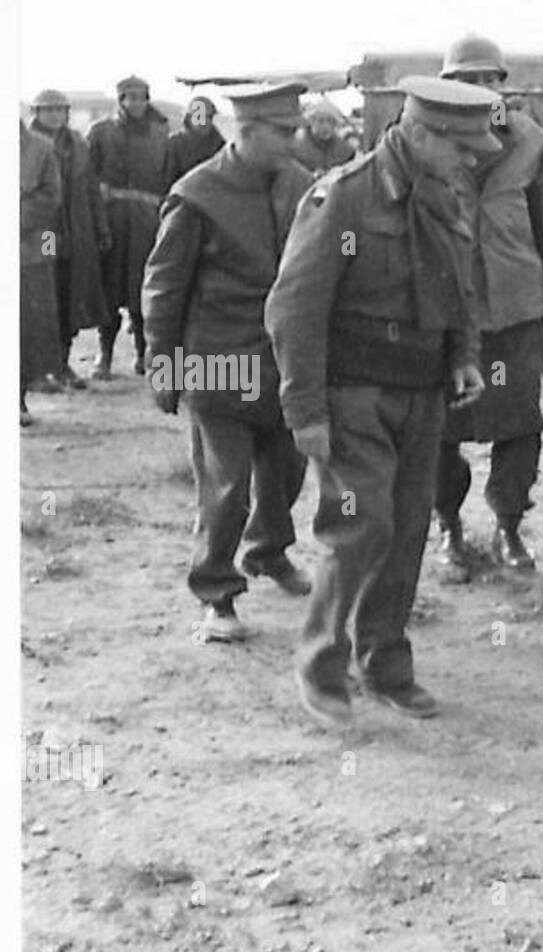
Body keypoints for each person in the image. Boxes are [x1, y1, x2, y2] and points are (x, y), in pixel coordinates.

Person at [266, 76, 495, 726]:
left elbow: (460, 283)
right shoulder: (343, 197)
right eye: (461, 145)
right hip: (352, 392)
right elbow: (293, 308)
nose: (471, 157)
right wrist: (305, 410)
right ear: (419, 133)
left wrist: (464, 356)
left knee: (407, 529)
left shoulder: (445, 195)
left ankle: (386, 666)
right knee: (359, 527)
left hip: (422, 392)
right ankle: (322, 667)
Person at [142, 83, 316, 643]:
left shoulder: (302, 184)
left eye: (295, 130)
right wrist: (163, 367)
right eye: (282, 133)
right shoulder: (196, 194)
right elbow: (164, 287)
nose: (295, 141)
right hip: (214, 364)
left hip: (281, 363)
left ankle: (268, 552)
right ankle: (217, 593)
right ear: (246, 132)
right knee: (226, 487)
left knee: (288, 471)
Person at [434, 33, 543, 576]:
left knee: (519, 424)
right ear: (449, 89)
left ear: (502, 86)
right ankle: (449, 528)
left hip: (517, 309)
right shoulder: (424, 141)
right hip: (449, 313)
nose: (481, 89)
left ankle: (509, 528)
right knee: (442, 430)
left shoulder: (533, 141)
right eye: (468, 81)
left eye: (490, 79)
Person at [28, 88, 112, 391]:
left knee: (69, 294)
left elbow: (91, 189)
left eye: (58, 110)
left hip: (76, 230)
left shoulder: (77, 144)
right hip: (44, 231)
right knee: (43, 295)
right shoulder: (26, 145)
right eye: (47, 110)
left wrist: (101, 229)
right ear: (36, 114)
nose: (53, 115)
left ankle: (63, 364)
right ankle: (39, 371)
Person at [88, 75, 170, 378]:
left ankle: (141, 354)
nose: (136, 103)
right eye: (130, 97)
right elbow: (88, 177)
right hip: (111, 220)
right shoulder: (100, 132)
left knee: (143, 290)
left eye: (141, 97)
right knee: (109, 290)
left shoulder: (161, 134)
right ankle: (105, 354)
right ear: (120, 100)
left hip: (147, 223)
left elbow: (167, 177)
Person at [20, 122, 63, 427]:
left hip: (32, 248)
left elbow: (51, 196)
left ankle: (18, 397)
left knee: (26, 327)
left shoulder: (42, 147)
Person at [163, 95, 225, 187]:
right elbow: (168, 178)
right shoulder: (175, 142)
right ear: (189, 118)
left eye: (209, 117)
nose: (204, 121)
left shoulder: (220, 145)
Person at [289, 99, 354, 176]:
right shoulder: (297, 146)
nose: (326, 126)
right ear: (311, 121)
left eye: (330, 121)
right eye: (320, 121)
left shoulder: (342, 147)